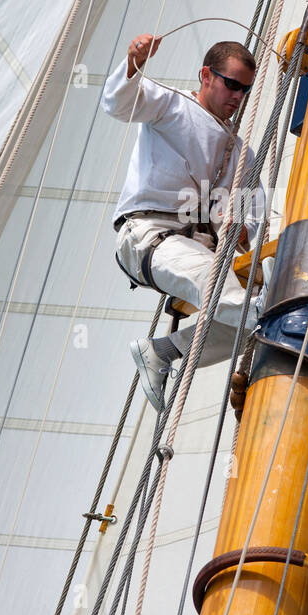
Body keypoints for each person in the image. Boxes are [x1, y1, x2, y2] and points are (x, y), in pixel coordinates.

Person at [102, 32, 268, 411]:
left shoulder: (243, 155)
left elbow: (256, 225)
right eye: (232, 85)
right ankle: (262, 310)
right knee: (234, 296)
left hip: (197, 250)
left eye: (245, 90)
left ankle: (161, 351)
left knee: (252, 324)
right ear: (206, 76)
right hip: (149, 237)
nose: (238, 97)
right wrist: (133, 64)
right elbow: (116, 102)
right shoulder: (171, 105)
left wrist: (242, 231)